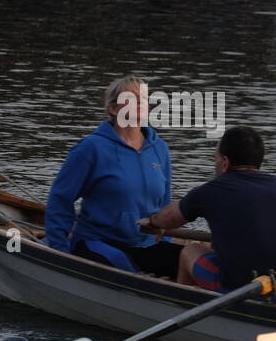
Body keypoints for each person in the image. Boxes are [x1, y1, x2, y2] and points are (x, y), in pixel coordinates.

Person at [141, 127, 276, 308]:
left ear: (225, 162)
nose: (215, 163)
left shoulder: (213, 189)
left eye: (215, 158)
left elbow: (169, 219)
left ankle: (178, 309)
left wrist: (152, 222)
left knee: (190, 251)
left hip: (250, 292)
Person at [44, 74, 179, 276]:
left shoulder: (160, 148)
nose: (140, 103)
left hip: (146, 244)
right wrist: (59, 252)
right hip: (98, 242)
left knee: (193, 260)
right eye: (131, 98)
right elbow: (60, 199)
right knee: (127, 268)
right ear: (113, 109)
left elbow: (165, 205)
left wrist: (165, 241)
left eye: (143, 98)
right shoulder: (91, 148)